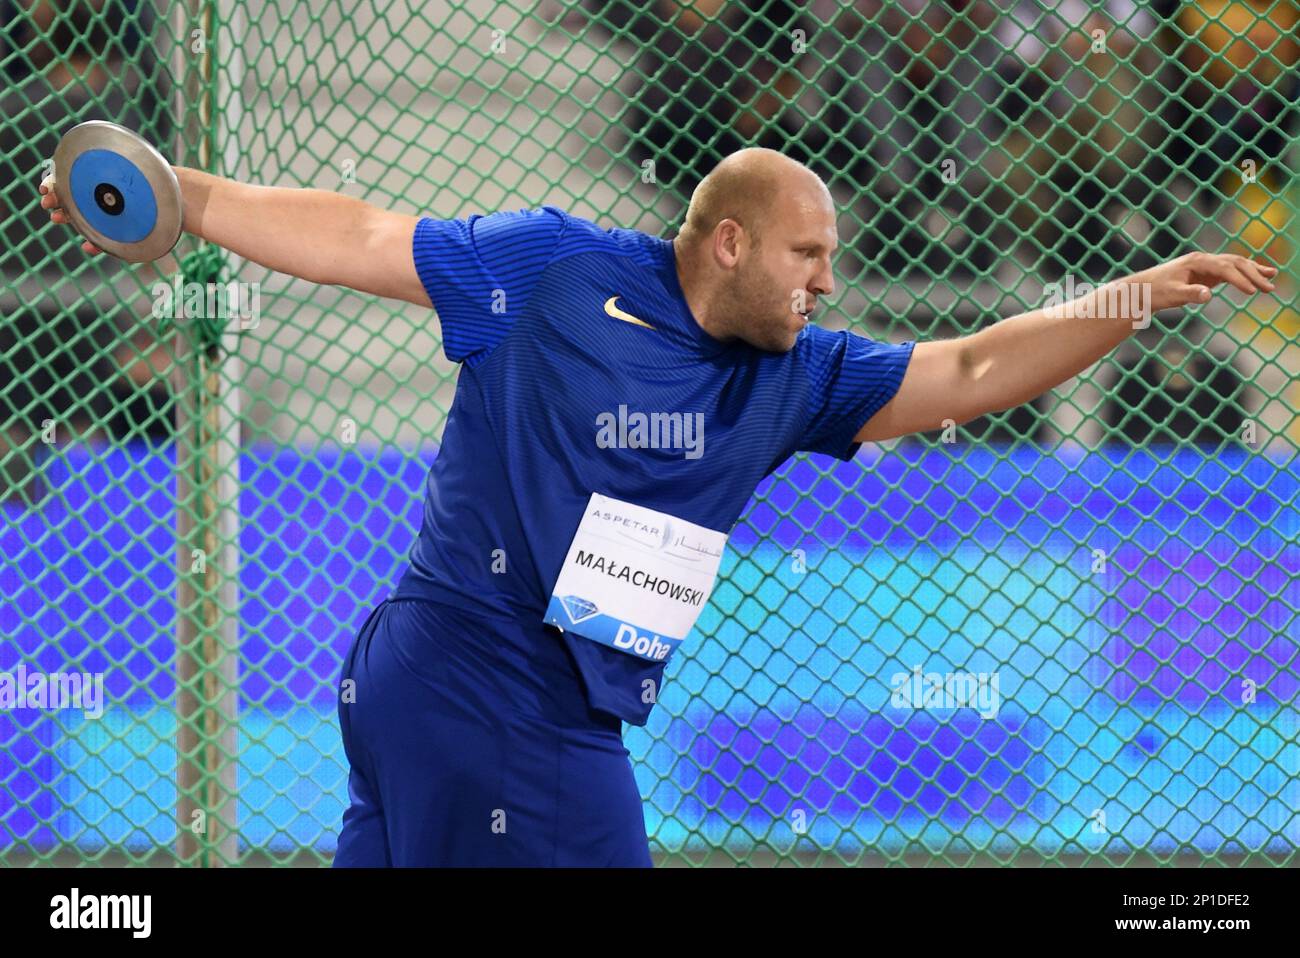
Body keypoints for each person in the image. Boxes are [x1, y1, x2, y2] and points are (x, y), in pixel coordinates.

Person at [40, 146, 1279, 866]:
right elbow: (363, 230)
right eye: (807, 255)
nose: (828, 279)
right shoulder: (552, 268)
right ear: (729, 242)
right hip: (484, 681)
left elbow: (963, 368)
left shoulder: (798, 376)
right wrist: (173, 197)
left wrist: (1135, 298)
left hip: (466, 695)